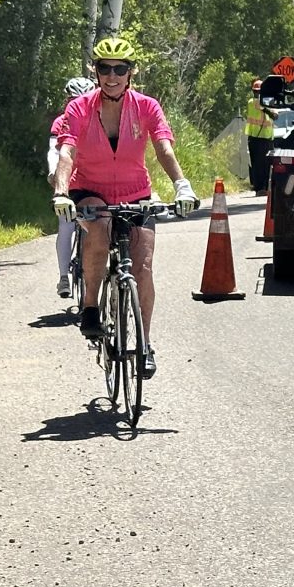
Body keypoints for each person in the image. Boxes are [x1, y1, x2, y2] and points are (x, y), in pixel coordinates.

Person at [51, 37, 199, 379]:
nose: (112, 76)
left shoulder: (147, 106)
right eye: (105, 68)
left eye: (120, 69)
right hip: (90, 188)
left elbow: (163, 148)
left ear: (131, 72)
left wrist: (181, 184)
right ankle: (90, 306)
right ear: (96, 70)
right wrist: (61, 192)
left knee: (143, 265)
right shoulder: (79, 108)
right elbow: (66, 153)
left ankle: (145, 344)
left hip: (136, 192)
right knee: (99, 229)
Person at [46, 75, 95, 299]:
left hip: (93, 178)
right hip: (68, 178)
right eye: (74, 99)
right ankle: (64, 276)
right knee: (66, 225)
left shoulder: (102, 118)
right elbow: (54, 151)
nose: (79, 103)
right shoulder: (61, 121)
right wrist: (53, 174)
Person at [244, 77, 276, 195]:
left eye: (259, 91)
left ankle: (264, 187)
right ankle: (259, 187)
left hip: (266, 138)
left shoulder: (266, 102)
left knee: (265, 164)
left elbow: (274, 114)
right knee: (258, 164)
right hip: (257, 138)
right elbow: (271, 113)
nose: (257, 93)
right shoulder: (253, 102)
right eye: (256, 91)